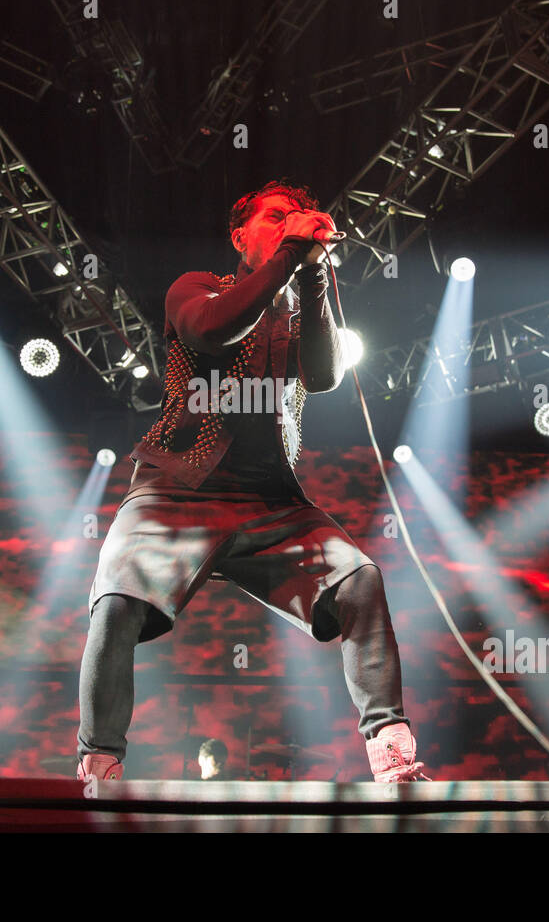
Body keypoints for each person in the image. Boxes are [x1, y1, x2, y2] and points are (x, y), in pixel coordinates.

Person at [74, 178, 425, 784]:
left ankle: (391, 752)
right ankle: (100, 762)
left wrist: (313, 275)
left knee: (359, 580)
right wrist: (292, 253)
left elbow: (321, 374)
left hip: (269, 501)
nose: (287, 225)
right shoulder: (198, 288)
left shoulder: (292, 305)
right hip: (177, 487)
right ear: (240, 236)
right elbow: (215, 330)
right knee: (118, 599)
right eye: (273, 218)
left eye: (295, 217)